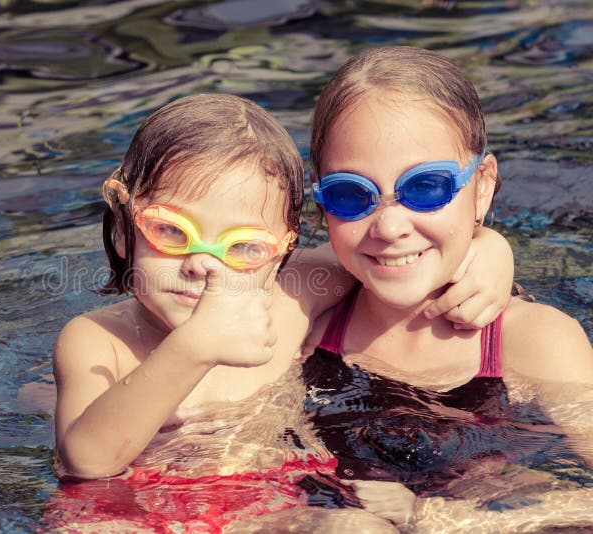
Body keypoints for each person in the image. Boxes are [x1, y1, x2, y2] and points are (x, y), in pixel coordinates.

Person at [47, 93, 514, 531]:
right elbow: (87, 460)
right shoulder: (95, 339)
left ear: (281, 254)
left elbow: (375, 261)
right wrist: (192, 349)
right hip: (128, 511)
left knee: (360, 527)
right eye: (170, 233)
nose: (203, 265)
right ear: (125, 228)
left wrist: (488, 247)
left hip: (271, 510)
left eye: (244, 246)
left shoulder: (289, 299)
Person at [302, 45, 593, 529]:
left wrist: (432, 517)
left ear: (482, 187)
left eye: (426, 187)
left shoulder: (535, 342)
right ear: (321, 201)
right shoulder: (302, 323)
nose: (390, 226)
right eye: (351, 194)